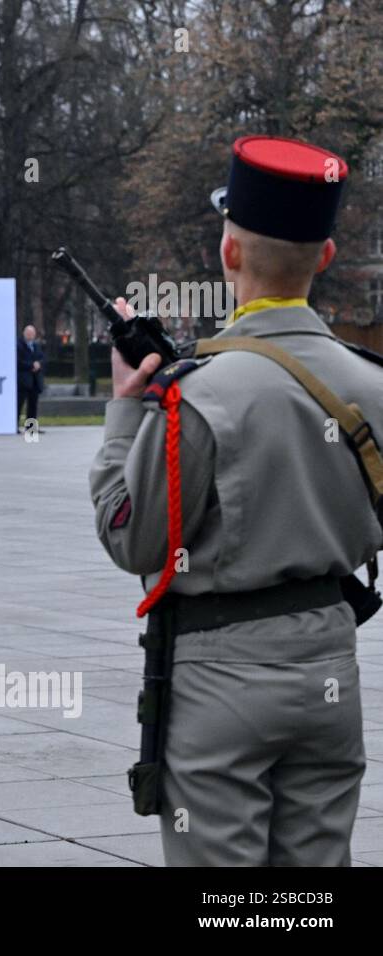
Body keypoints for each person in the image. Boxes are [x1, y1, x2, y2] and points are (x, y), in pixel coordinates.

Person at [89, 135, 383, 866]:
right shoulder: (373, 385)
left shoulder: (200, 392)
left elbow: (133, 538)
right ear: (327, 256)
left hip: (221, 674)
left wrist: (127, 411)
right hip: (329, 662)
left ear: (228, 254)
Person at [16, 324, 45, 431]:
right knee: (19, 405)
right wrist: (31, 365)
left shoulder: (36, 346)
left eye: (32, 333)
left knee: (33, 406)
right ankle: (15, 426)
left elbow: (42, 358)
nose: (30, 335)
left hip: (35, 380)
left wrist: (39, 364)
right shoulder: (18, 346)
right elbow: (18, 362)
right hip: (23, 381)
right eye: (28, 333)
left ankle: (31, 428)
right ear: (24, 334)